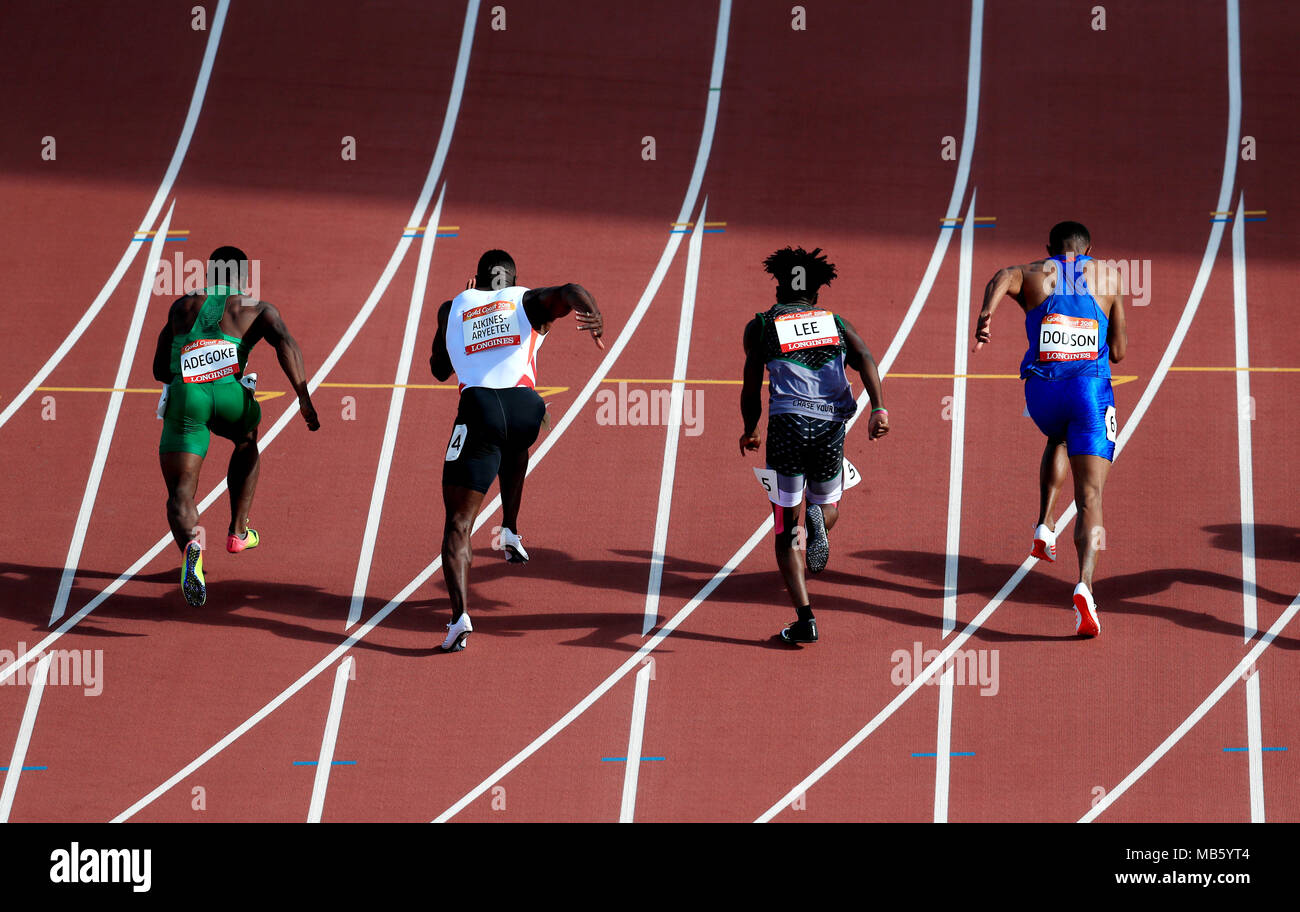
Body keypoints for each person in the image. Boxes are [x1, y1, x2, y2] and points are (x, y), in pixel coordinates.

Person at [429, 249, 604, 651]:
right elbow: (572, 289)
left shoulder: (452, 307)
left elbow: (439, 370)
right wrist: (593, 314)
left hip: (480, 409)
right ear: (510, 279)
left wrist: (458, 324)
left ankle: (459, 619)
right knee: (513, 443)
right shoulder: (526, 301)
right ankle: (509, 528)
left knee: (457, 525)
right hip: (529, 409)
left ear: (476, 278)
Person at [973, 221, 1127, 637]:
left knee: (1057, 435)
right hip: (1089, 393)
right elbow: (1119, 351)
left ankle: (1044, 523)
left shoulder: (1034, 272)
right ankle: (1086, 587)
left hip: (1042, 395)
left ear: (1048, 248)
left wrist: (987, 312)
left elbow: (1002, 276)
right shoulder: (1109, 276)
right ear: (1091, 248)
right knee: (1090, 494)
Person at [152, 246, 320, 607]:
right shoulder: (258, 307)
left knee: (181, 492)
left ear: (210, 275)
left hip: (188, 398)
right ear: (243, 278)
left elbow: (159, 370)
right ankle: (239, 531)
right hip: (230, 395)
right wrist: (303, 398)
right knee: (246, 439)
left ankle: (192, 546)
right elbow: (286, 344)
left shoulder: (181, 306)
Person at [739, 246, 889, 645]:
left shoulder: (763, 324)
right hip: (830, 427)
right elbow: (866, 356)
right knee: (826, 506)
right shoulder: (835, 322)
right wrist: (879, 407)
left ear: (779, 287)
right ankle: (819, 519)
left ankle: (805, 618)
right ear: (816, 293)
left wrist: (750, 428)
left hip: (787, 424)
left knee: (784, 529)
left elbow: (751, 383)